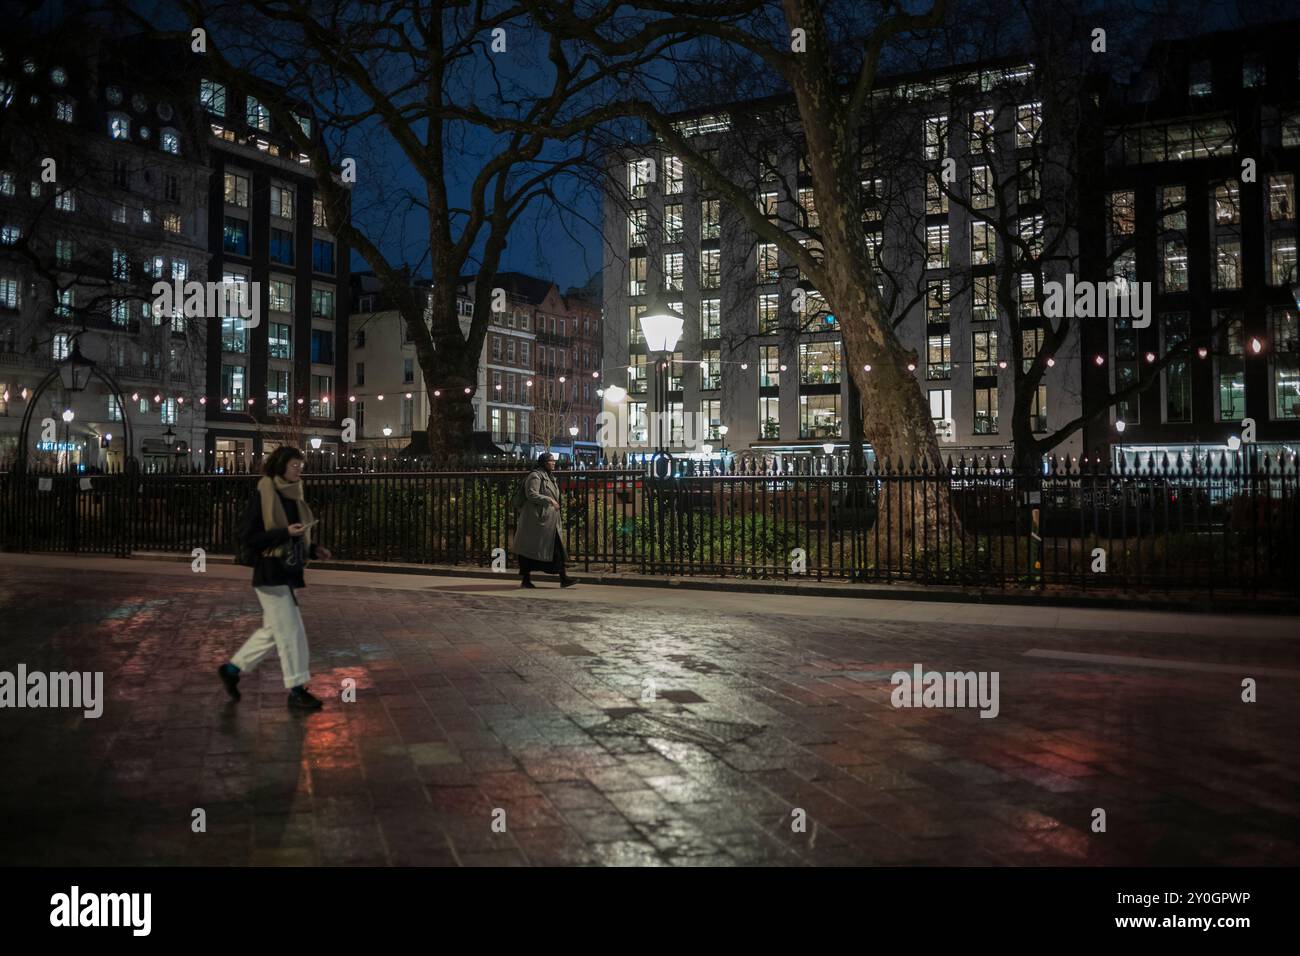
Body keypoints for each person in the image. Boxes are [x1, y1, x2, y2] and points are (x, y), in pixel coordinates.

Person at [217, 446, 333, 710]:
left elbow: (297, 533)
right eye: (294, 465)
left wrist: (313, 548)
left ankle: (232, 670)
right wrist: (284, 533)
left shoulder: (293, 495)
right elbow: (248, 536)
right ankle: (296, 689)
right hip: (270, 571)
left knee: (273, 631)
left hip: (287, 570)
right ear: (280, 465)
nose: (298, 470)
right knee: (292, 632)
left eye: (300, 466)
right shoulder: (265, 493)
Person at [512, 452, 576, 589]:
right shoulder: (535, 475)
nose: (553, 463)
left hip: (547, 520)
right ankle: (527, 579)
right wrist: (550, 500)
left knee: (555, 548)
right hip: (535, 520)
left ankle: (563, 578)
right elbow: (531, 494)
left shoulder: (549, 477)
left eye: (554, 461)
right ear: (544, 462)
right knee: (530, 550)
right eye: (550, 461)